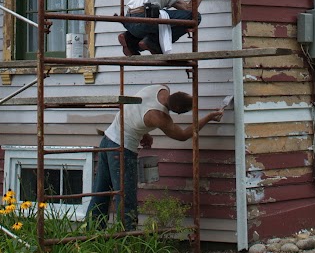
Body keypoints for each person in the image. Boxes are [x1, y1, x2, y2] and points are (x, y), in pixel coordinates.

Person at [90, 86, 222, 228]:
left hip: (107, 139)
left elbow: (136, 110)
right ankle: (128, 240)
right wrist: (208, 118)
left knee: (100, 192)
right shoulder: (160, 117)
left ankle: (92, 233)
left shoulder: (160, 87)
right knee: (126, 199)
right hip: (122, 150)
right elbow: (183, 135)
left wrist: (144, 132)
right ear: (176, 111)